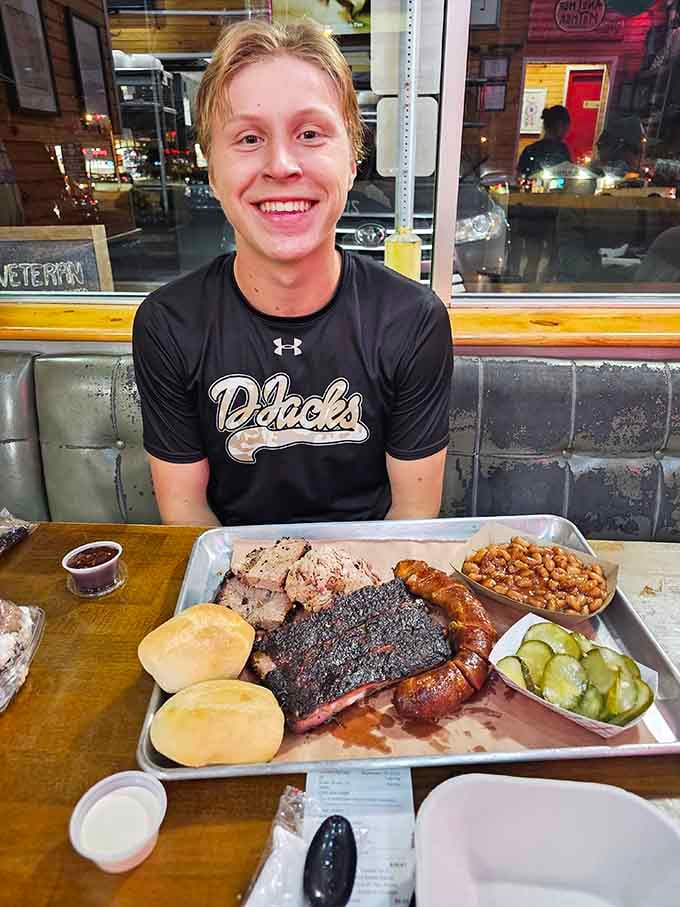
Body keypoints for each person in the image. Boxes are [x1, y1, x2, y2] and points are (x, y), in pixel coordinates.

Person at [132, 19, 452, 527]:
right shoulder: (168, 323)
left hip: (371, 580)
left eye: (309, 133)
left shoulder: (412, 319)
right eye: (248, 138)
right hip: (232, 581)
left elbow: (411, 515)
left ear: (352, 159)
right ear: (212, 169)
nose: (281, 165)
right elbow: (187, 512)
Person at [517, 106, 572, 180]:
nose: (567, 130)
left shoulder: (530, 149)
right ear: (560, 125)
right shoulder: (562, 149)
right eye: (566, 126)